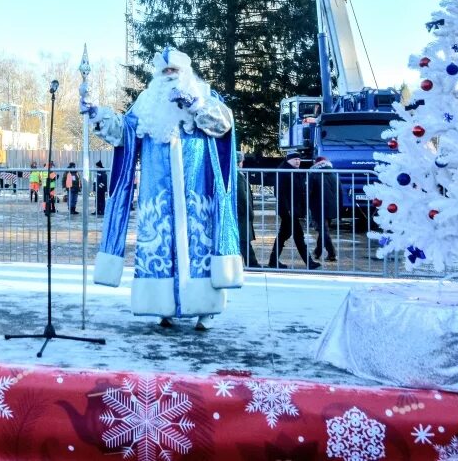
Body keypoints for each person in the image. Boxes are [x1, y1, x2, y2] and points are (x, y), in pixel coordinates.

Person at [83, 45, 241, 330]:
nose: (169, 75)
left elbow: (224, 125)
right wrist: (98, 115)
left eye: (174, 70)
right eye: (164, 71)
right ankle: (161, 307)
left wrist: (195, 104)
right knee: (159, 247)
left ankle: (205, 309)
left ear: (185, 72)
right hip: (157, 198)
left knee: (199, 249)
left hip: (197, 193)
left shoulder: (204, 94)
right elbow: (123, 133)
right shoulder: (146, 102)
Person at [267, 152, 320, 269]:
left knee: (283, 236)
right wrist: (287, 209)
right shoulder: (284, 172)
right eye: (295, 159)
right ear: (288, 160)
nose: (298, 161)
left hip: (292, 210)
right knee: (298, 236)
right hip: (288, 211)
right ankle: (309, 263)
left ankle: (273, 261)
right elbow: (280, 193)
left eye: (299, 159)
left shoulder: (293, 171)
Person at [308, 156, 338, 262]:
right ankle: (317, 252)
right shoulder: (334, 174)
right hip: (331, 207)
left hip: (318, 206)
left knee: (323, 231)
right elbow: (340, 192)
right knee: (323, 230)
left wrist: (306, 205)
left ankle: (332, 253)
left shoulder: (314, 175)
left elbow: (309, 192)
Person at [236, 152, 261, 268]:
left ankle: (252, 263)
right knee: (244, 240)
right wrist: (249, 211)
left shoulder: (237, 175)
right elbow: (242, 196)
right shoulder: (238, 176)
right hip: (242, 214)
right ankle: (252, 264)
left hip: (241, 213)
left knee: (243, 240)